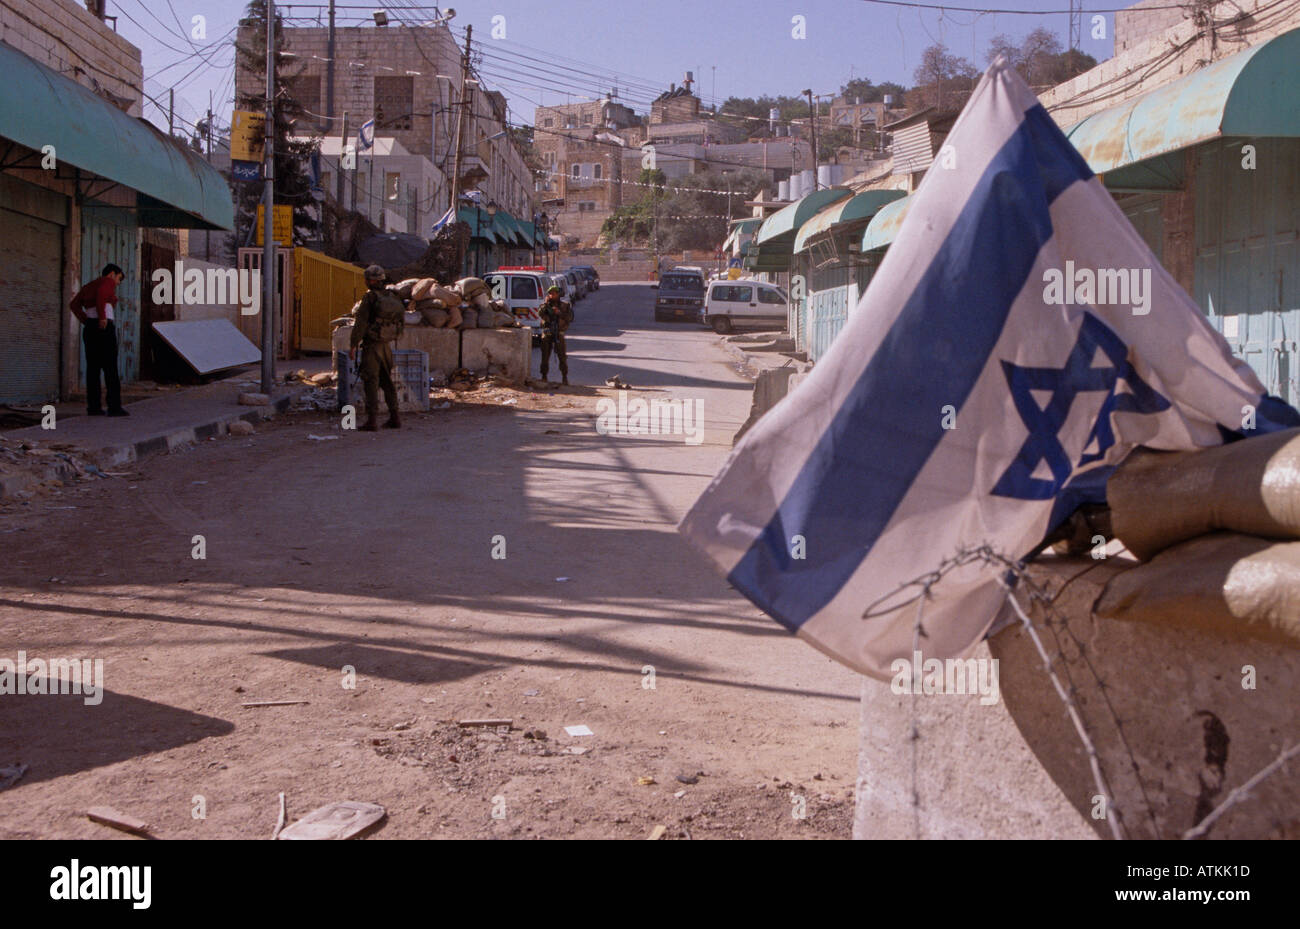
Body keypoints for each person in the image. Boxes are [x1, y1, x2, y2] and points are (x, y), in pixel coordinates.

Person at [349, 265, 405, 431]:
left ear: (371, 281)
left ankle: (372, 420)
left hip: (372, 346)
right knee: (387, 381)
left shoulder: (370, 298)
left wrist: (353, 344)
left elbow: (361, 323)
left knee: (371, 381)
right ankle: (395, 417)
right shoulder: (391, 296)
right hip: (386, 346)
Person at [69, 263, 128, 416]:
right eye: (119, 278)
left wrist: (86, 321)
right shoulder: (106, 282)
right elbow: (101, 294)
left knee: (93, 369)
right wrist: (102, 317)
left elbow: (74, 305)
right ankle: (114, 407)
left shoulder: (88, 286)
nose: (117, 282)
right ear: (112, 274)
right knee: (110, 368)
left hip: (90, 329)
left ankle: (94, 407)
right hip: (104, 327)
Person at [537, 284, 573, 386]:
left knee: (562, 356)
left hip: (559, 332)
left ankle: (564, 377)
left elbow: (569, 318)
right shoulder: (545, 306)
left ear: (558, 294)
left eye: (554, 293)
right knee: (545, 355)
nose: (552, 295)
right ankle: (544, 376)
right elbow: (540, 313)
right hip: (548, 331)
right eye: (550, 293)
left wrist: (559, 313)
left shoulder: (565, 305)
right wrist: (546, 304)